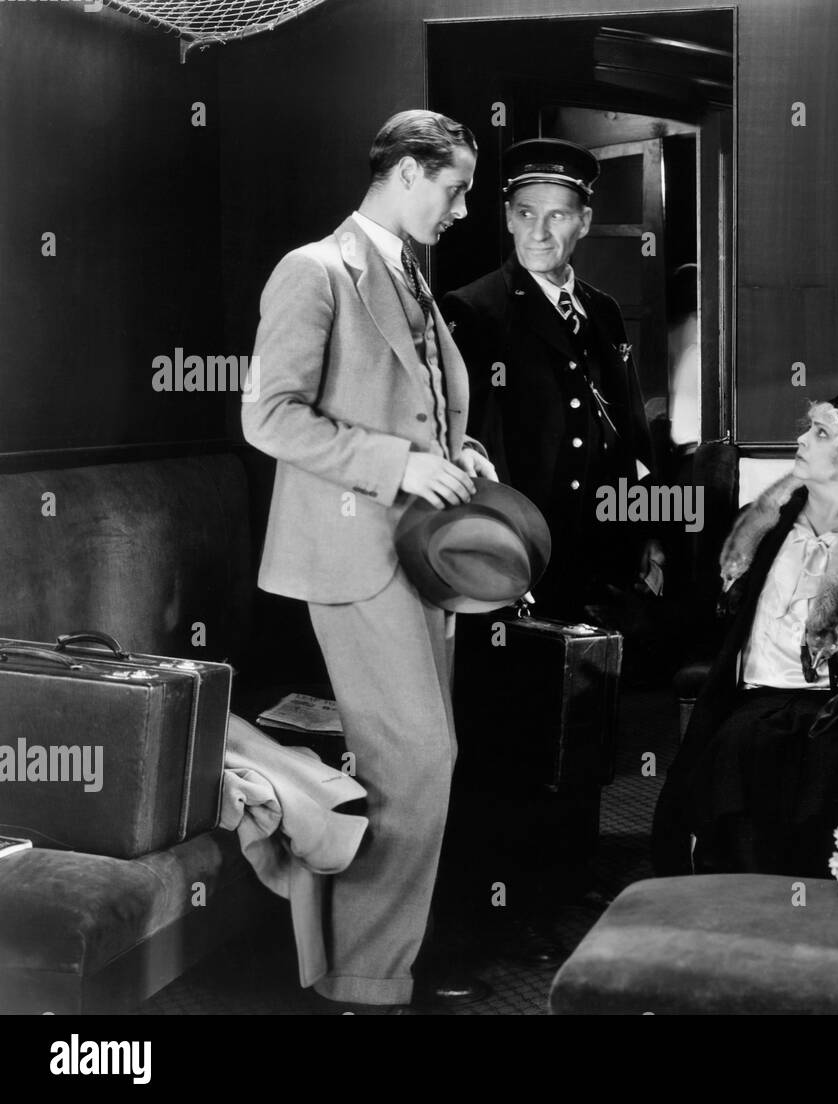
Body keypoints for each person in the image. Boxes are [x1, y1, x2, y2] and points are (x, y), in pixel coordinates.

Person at [242, 109, 497, 1012]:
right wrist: (400, 465)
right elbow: (268, 417)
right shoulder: (315, 271)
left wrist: (455, 453)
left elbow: (417, 402)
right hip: (350, 555)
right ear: (406, 173)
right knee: (418, 759)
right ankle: (366, 981)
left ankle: (369, 968)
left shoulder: (408, 276)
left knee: (419, 761)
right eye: (455, 185)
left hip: (417, 557)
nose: (463, 209)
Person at [651, 381, 838, 876]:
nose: (802, 440)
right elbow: (714, 618)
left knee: (828, 785)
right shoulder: (763, 523)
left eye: (820, 431)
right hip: (755, 701)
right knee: (740, 761)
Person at [441, 137, 660, 622]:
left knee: (599, 682)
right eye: (525, 213)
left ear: (584, 221)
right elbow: (466, 441)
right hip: (523, 546)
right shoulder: (473, 309)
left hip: (603, 546)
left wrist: (643, 532)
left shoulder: (602, 310)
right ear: (507, 216)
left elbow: (631, 433)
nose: (538, 232)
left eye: (557, 216)